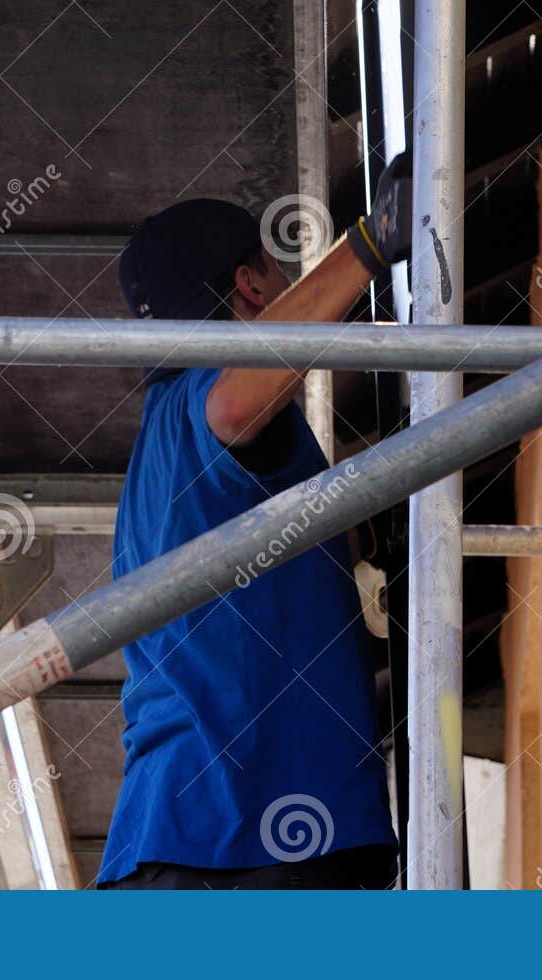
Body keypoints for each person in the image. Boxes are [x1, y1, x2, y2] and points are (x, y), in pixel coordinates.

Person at [96, 158, 414, 890]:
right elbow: (237, 407)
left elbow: (273, 555)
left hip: (191, 840)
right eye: (276, 274)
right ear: (248, 285)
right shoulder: (202, 400)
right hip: (237, 836)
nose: (283, 290)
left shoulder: (156, 463)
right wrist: (370, 243)